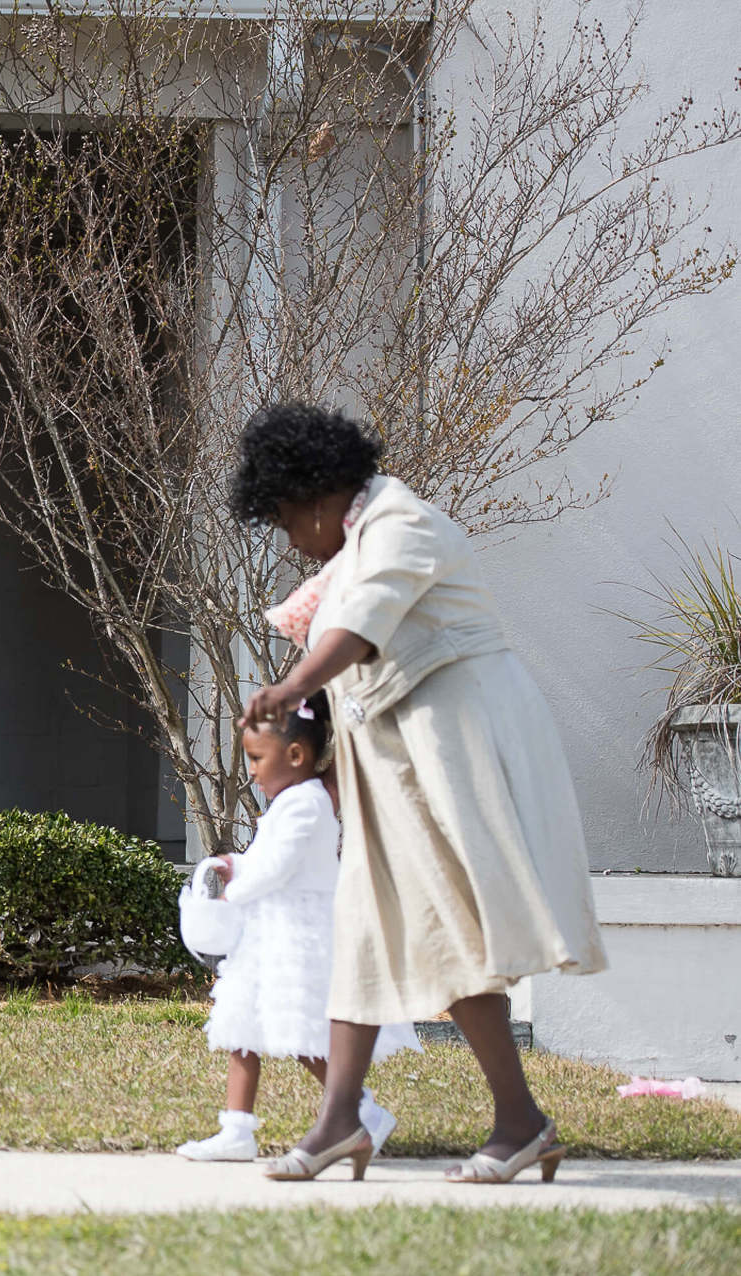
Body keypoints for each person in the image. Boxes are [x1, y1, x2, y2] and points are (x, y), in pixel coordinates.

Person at [229, 402, 606, 1184]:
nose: (291, 540)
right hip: (391, 765)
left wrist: (290, 685)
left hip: (448, 755)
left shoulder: (405, 524)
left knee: (448, 929)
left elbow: (362, 629)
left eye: (288, 520)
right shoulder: (357, 545)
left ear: (319, 498)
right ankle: (340, 1124)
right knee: (362, 933)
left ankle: (521, 1123)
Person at [176, 691, 420, 1166]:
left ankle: (364, 1112)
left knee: (305, 1037)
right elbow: (263, 860)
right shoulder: (291, 801)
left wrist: (233, 892)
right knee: (242, 1027)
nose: (251, 771)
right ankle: (236, 1129)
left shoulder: (308, 803)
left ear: (294, 754)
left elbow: (278, 867)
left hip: (297, 938)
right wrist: (235, 864)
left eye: (257, 758)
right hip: (266, 936)